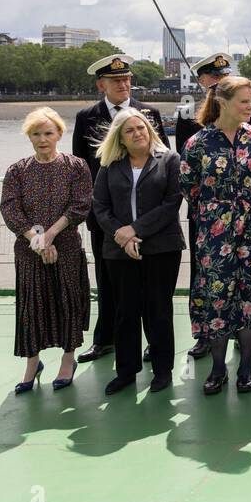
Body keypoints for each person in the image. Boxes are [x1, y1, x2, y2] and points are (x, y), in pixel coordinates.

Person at [182, 76, 251, 394]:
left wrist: (249, 210)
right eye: (244, 101)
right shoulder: (198, 143)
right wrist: (218, 212)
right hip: (214, 233)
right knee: (217, 297)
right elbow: (190, 187)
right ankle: (219, 368)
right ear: (222, 102)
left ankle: (247, 365)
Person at [72, 54, 168, 364]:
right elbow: (82, 170)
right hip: (108, 220)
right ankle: (106, 339)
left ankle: (154, 344)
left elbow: (164, 162)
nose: (123, 84)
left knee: (152, 289)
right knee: (109, 283)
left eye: (126, 79)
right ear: (101, 84)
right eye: (116, 81)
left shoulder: (148, 114)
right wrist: (94, 217)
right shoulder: (87, 117)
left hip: (148, 221)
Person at [175, 52, 251, 361]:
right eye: (215, 78)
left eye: (224, 77)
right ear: (204, 82)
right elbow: (186, 174)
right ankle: (205, 338)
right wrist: (213, 208)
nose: (220, 82)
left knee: (248, 283)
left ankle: (244, 338)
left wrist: (247, 204)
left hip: (249, 218)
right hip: (208, 216)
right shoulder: (189, 115)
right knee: (207, 280)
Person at [91, 108, 184, 394]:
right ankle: (126, 371)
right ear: (120, 137)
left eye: (141, 128)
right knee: (126, 311)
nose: (137, 133)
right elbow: (100, 206)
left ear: (150, 130)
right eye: (129, 130)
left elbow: (172, 202)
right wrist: (123, 235)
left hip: (161, 248)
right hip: (119, 250)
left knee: (158, 309)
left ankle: (162, 369)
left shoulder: (169, 160)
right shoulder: (110, 165)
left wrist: (136, 230)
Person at [0, 107, 92, 394]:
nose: (42, 139)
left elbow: (80, 205)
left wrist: (50, 235)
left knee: (68, 301)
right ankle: (32, 362)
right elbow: (10, 208)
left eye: (48, 133)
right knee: (32, 306)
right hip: (30, 249)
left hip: (64, 245)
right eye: (36, 133)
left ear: (59, 135)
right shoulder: (17, 170)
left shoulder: (76, 166)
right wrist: (37, 239)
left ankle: (68, 359)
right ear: (29, 136)